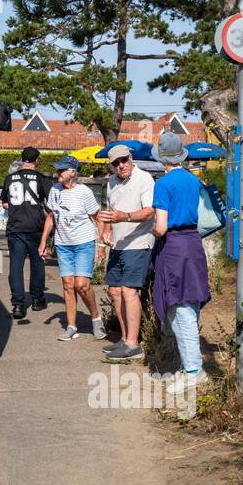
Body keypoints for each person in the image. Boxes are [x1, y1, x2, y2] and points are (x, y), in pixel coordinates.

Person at [151, 132, 212, 392]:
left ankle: (193, 371)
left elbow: (162, 227)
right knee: (189, 307)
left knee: (181, 311)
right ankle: (190, 367)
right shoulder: (193, 180)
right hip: (193, 245)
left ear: (162, 157)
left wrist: (151, 230)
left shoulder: (163, 185)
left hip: (174, 248)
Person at [96, 145, 156, 362]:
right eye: (116, 163)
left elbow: (149, 212)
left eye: (124, 160)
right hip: (118, 244)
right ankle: (124, 338)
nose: (121, 165)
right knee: (114, 290)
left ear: (131, 158)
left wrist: (124, 217)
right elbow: (110, 214)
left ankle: (134, 344)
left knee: (129, 290)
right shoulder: (112, 182)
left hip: (138, 242)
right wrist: (105, 237)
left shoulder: (145, 178)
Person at [38, 156, 101, 341]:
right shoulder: (55, 190)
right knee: (68, 285)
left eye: (61, 170)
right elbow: (51, 216)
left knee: (82, 285)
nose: (57, 173)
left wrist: (102, 245)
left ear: (73, 173)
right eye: (57, 169)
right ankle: (71, 326)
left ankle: (96, 318)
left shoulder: (84, 192)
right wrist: (43, 242)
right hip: (63, 243)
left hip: (83, 242)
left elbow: (97, 217)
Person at [0, 146, 52, 319]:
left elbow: (5, 203)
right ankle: (37, 300)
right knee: (37, 264)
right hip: (36, 227)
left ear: (22, 159)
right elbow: (51, 202)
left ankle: (18, 305)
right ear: (36, 160)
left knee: (16, 266)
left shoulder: (10, 178)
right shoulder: (41, 178)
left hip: (15, 227)